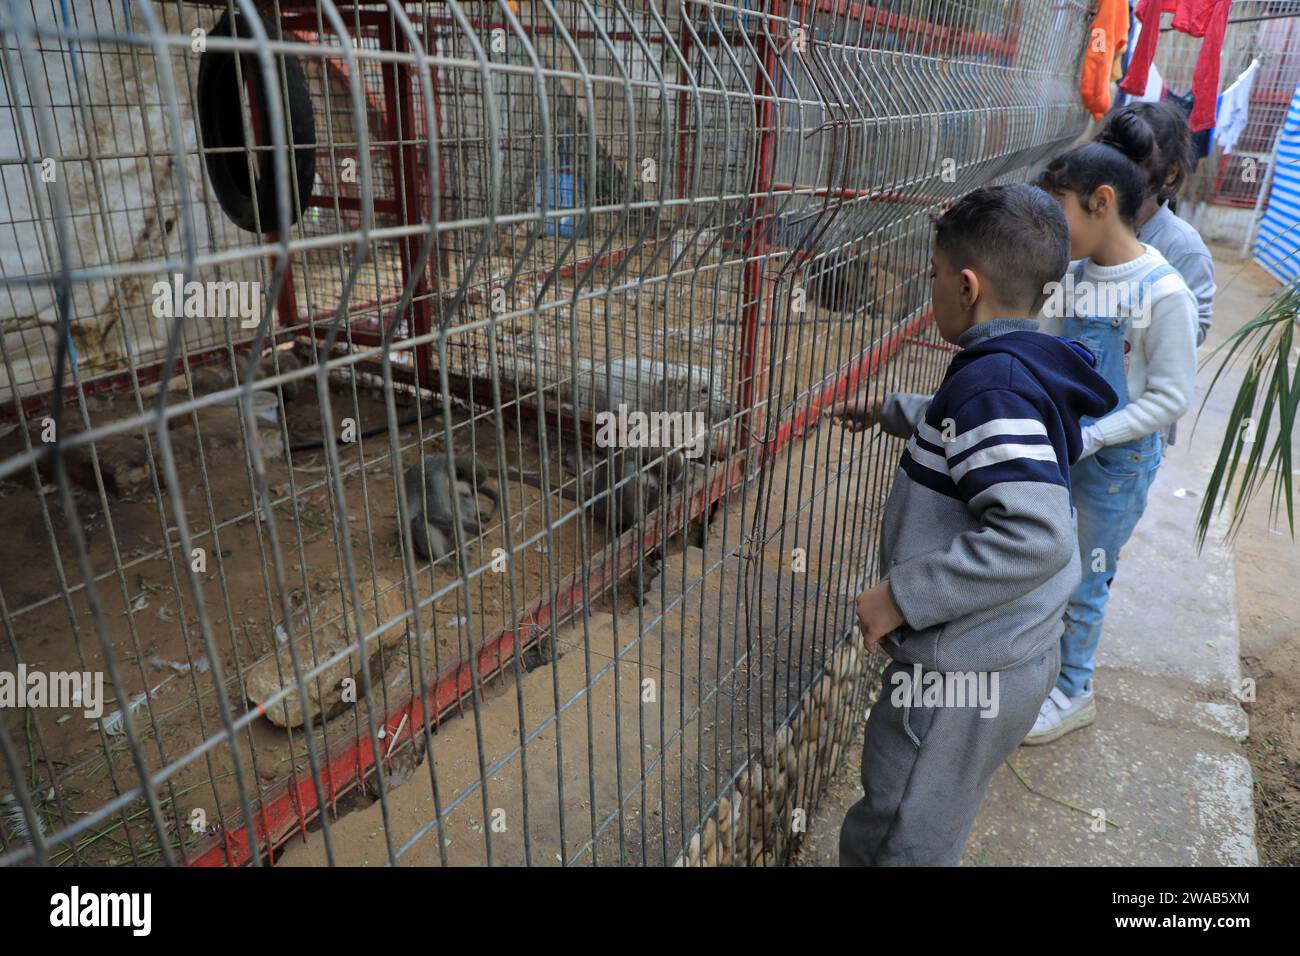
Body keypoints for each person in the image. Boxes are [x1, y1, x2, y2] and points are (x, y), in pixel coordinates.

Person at [830, 184, 1116, 865]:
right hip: (1011, 651)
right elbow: (969, 422)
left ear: (965, 285)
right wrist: (894, 410)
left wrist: (902, 595)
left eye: (931, 276)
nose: (928, 289)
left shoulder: (993, 387)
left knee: (902, 831)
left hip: (961, 670)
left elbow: (1037, 536)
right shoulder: (1021, 366)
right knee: (933, 810)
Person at [1025, 111, 1199, 744]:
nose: (1051, 228)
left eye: (1058, 211)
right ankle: (1043, 672)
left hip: (1115, 464)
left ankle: (1074, 691)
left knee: (1087, 575)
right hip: (1063, 447)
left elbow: (1172, 396)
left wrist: (1097, 435)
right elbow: (1044, 351)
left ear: (1101, 203)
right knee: (1050, 564)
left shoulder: (1162, 291)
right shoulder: (1071, 279)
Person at [1100, 100, 1215, 346]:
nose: (1120, 170)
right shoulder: (1088, 221)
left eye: (1136, 162)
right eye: (1114, 157)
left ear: (1170, 172)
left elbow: (1197, 326)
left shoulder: (1183, 247)